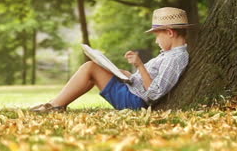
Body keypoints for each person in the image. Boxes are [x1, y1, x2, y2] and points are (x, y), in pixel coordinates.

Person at [29, 7, 192, 112]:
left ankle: (55, 106)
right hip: (132, 92)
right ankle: (55, 103)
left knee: (90, 68)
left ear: (170, 33)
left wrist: (139, 65)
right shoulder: (170, 54)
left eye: (157, 36)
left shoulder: (175, 58)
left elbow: (155, 93)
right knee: (98, 68)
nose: (156, 41)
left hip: (134, 101)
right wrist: (127, 75)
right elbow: (150, 81)